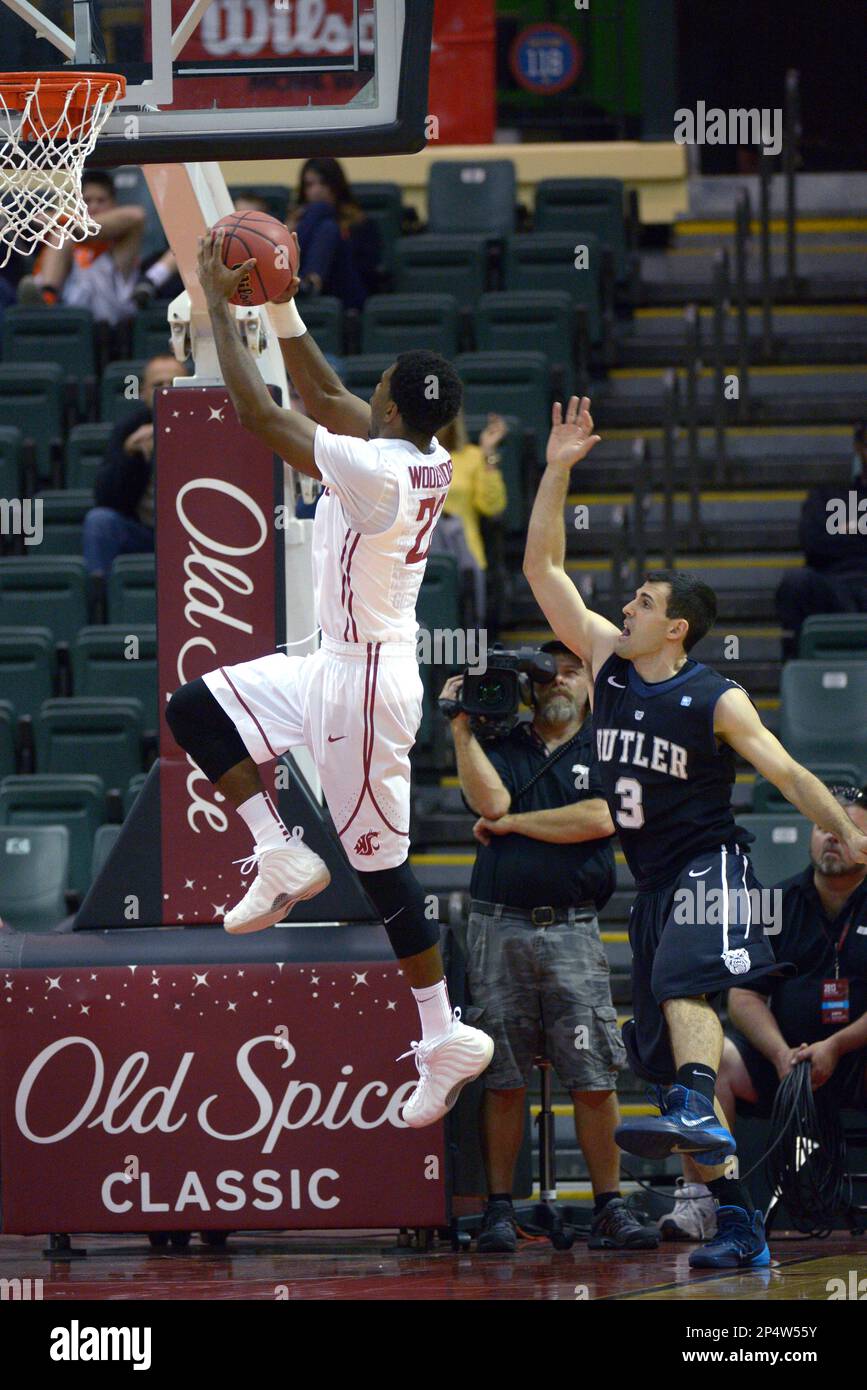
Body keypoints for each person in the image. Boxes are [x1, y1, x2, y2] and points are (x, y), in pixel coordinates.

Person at [522, 395, 867, 1269]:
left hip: (714, 870)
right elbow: (541, 569)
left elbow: (786, 772)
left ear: (674, 628)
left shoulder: (714, 694)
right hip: (653, 885)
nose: (623, 607)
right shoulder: (606, 665)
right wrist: (559, 467)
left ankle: (686, 1095)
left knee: (683, 990)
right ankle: (738, 1221)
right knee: (674, 1062)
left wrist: (849, 834)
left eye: (640, 602)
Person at [164, 228, 492, 1131]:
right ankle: (276, 847)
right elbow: (324, 392)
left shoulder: (381, 470)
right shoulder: (417, 456)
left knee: (381, 873)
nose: (367, 389)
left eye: (378, 385)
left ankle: (443, 1036)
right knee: (195, 709)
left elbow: (266, 417)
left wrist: (212, 307)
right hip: (332, 660)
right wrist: (277, 301)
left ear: (390, 406)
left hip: (365, 684)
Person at [442, 642, 659, 1254]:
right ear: (529, 686)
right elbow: (489, 801)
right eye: (549, 672)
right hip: (497, 925)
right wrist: (461, 728)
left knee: (592, 1076)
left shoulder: (609, 748)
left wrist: (512, 826)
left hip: (572, 927)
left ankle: (609, 1206)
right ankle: (499, 1211)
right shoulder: (500, 745)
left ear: (592, 687)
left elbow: (600, 818)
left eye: (573, 671)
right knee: (503, 1077)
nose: (561, 681)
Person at [776, 421, 867, 659]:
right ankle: (798, 675)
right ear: (859, 447)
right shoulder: (826, 498)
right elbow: (814, 543)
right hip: (837, 590)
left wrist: (849, 530)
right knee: (796, 582)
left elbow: (828, 542)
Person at [83, 354, 180, 576]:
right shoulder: (129, 428)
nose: (165, 390)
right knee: (99, 522)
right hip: (145, 531)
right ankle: (100, 603)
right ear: (144, 392)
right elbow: (105, 498)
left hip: (194, 533)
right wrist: (129, 455)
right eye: (158, 385)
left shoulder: (208, 428)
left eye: (174, 384)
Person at [17, 169, 144, 327]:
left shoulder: (122, 240)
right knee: (62, 235)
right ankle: (46, 300)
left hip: (112, 320)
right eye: (87, 201)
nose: (94, 206)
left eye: (101, 200)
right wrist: (67, 224)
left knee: (65, 231)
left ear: (113, 203)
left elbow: (137, 215)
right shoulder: (67, 233)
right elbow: (37, 221)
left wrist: (65, 220)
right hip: (69, 316)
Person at [433, 410, 508, 624]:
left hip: (463, 560)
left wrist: (489, 452)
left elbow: (493, 506)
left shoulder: (472, 456)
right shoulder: (404, 457)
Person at [289, 157, 380, 309]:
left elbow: (366, 269)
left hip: (346, 293)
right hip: (304, 293)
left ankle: (307, 282)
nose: (317, 190)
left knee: (327, 223)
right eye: (310, 185)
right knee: (326, 223)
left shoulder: (359, 222)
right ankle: (308, 283)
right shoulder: (295, 221)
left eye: (324, 183)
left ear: (337, 185)